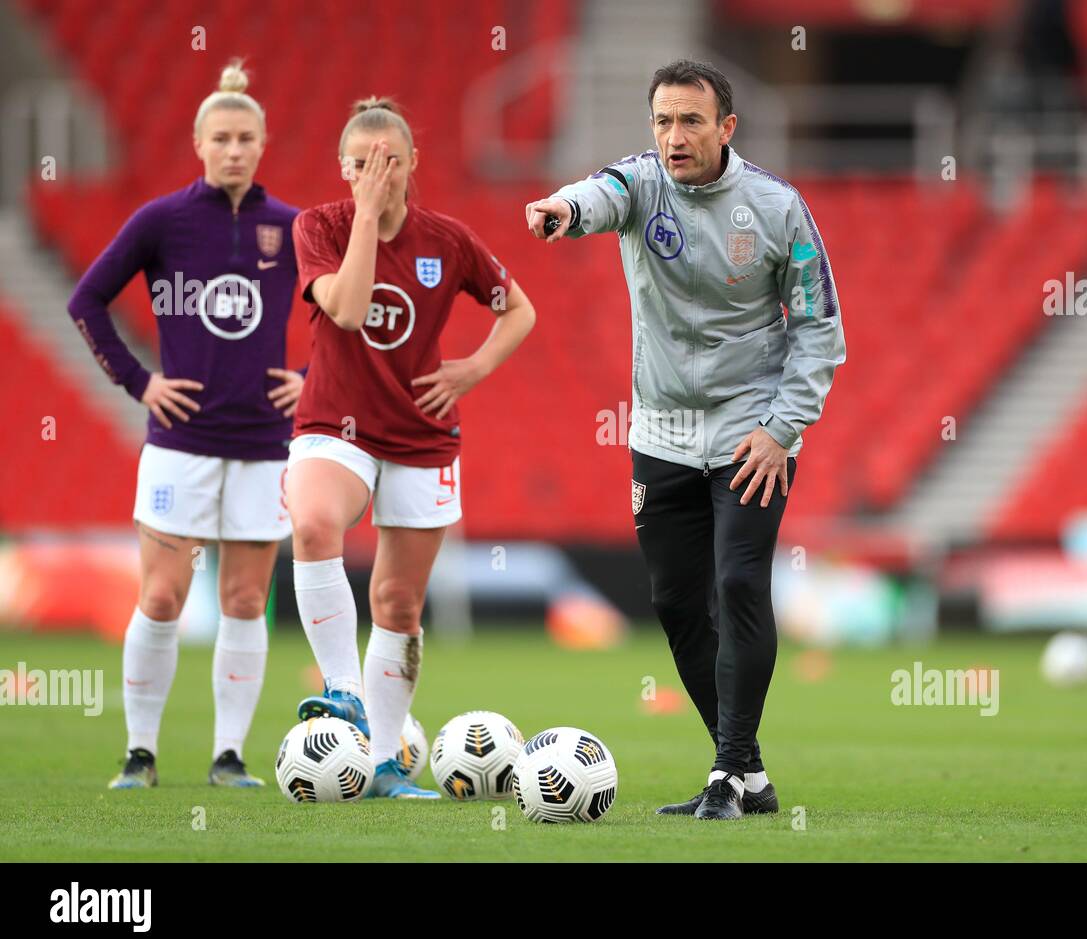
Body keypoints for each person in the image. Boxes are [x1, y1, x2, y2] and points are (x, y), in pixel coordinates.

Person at [526, 59, 845, 819]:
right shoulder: (640, 185)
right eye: (663, 121)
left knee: (737, 585)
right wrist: (560, 211)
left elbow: (819, 330)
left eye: (691, 121)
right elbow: (595, 195)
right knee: (674, 603)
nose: (674, 136)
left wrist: (782, 429)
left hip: (750, 435)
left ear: (726, 128)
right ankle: (750, 775)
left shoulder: (777, 208)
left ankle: (727, 773)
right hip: (661, 432)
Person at [288, 97, 536, 798]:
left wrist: (472, 367)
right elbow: (345, 307)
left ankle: (387, 764)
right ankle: (342, 692)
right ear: (343, 168)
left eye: (390, 161)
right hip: (334, 422)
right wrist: (366, 216)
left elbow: (519, 309)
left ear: (413, 163)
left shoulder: (447, 241)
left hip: (421, 434)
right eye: (362, 163)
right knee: (312, 525)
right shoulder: (322, 226)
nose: (377, 174)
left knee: (397, 605)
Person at [68, 61, 304, 789]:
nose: (233, 150)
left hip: (265, 447)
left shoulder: (291, 227)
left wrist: (313, 380)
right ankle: (140, 754)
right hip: (181, 446)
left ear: (262, 144)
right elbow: (86, 301)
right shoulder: (162, 221)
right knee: (163, 597)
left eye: (245, 138)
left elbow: (347, 313)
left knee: (241, 601)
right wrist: (140, 382)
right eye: (221, 138)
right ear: (199, 144)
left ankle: (228, 756)